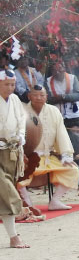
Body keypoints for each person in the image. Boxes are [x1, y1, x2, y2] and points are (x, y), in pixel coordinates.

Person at [16, 85, 79, 211]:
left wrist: (65, 154)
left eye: (42, 95)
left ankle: (55, 200)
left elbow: (61, 133)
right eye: (35, 95)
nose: (38, 98)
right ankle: (27, 202)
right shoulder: (21, 110)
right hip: (28, 157)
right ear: (29, 96)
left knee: (73, 169)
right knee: (17, 174)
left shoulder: (54, 111)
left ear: (46, 97)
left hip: (48, 156)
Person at [0, 70, 28, 247]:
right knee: (5, 187)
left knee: (4, 194)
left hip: (11, 150)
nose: (10, 88)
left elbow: (21, 120)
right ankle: (18, 207)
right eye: (6, 84)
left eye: (12, 84)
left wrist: (21, 136)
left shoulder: (16, 100)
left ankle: (13, 237)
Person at [45, 60, 79, 128]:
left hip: (74, 117)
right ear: (51, 72)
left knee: (75, 138)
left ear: (64, 69)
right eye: (54, 70)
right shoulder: (47, 81)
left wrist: (63, 97)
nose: (57, 72)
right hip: (57, 117)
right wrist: (57, 99)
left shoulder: (72, 78)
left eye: (59, 68)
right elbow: (47, 100)